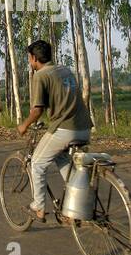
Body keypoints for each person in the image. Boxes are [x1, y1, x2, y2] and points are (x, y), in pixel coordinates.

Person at [17, 39, 93, 224]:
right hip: (85, 128)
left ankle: (38, 207)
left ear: (34, 58)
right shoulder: (65, 70)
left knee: (36, 163)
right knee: (61, 158)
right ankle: (72, 208)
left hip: (65, 130)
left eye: (29, 58)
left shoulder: (41, 75)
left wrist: (24, 125)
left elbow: (37, 110)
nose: (30, 62)